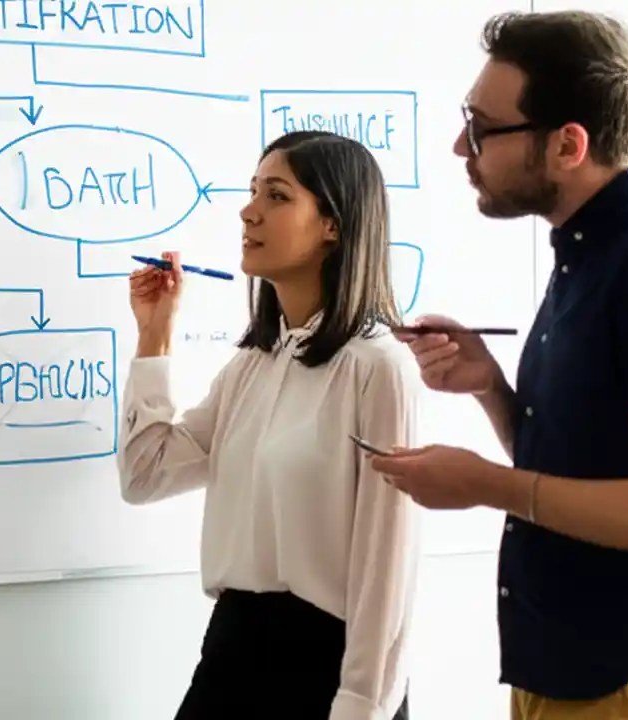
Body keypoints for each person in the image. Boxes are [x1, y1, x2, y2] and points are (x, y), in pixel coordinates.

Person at [369, 10, 628, 719]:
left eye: (482, 127)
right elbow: (583, 471)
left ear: (568, 145)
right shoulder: (592, 256)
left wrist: (484, 484)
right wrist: (489, 388)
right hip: (577, 677)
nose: (461, 145)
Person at [118, 129, 422, 719]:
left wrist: (361, 705)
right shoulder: (250, 367)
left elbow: (387, 568)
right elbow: (144, 475)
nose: (248, 210)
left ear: (333, 223)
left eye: (277, 196)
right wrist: (155, 331)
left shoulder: (378, 368)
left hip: (329, 668)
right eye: (253, 190)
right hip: (233, 652)